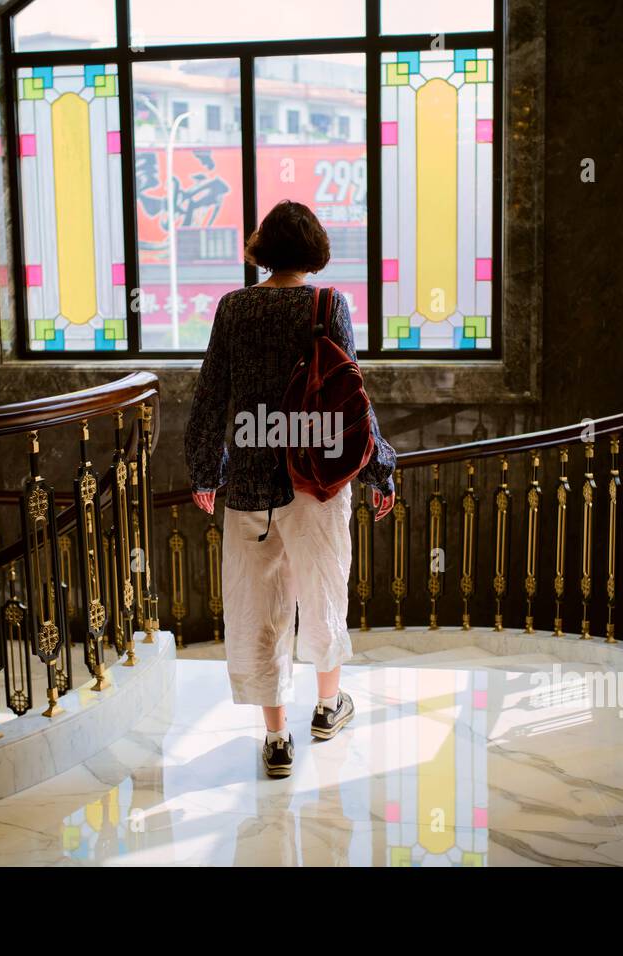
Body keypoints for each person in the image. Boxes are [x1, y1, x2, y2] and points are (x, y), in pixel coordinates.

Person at [184, 200, 396, 779]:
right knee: (323, 590)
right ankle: (327, 709)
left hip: (251, 484)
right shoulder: (330, 304)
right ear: (314, 250)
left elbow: (209, 394)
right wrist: (380, 467)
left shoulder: (234, 308)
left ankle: (276, 739)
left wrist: (206, 470)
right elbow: (352, 395)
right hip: (318, 482)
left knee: (257, 606)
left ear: (264, 250)